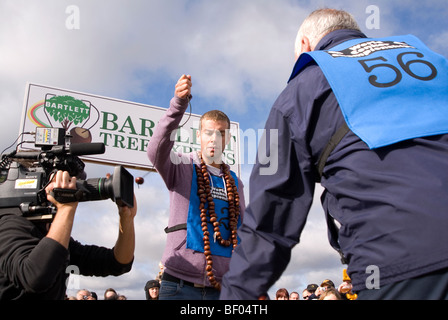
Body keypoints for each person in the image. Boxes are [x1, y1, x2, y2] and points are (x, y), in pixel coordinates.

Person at [220, 8, 448, 300]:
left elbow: (270, 216)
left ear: (304, 45)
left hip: (401, 263)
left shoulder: (302, 89)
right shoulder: (435, 63)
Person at [147, 75, 245, 300]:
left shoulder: (236, 182)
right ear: (199, 136)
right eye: (208, 133)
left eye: (220, 133)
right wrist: (178, 105)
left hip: (221, 288)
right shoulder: (180, 166)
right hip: (178, 285)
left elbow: (243, 230)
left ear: (228, 138)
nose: (214, 139)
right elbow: (155, 150)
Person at [0, 170, 137, 300]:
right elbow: (35, 277)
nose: (73, 186)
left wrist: (127, 218)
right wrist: (66, 207)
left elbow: (118, 263)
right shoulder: (9, 225)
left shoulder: (54, 238)